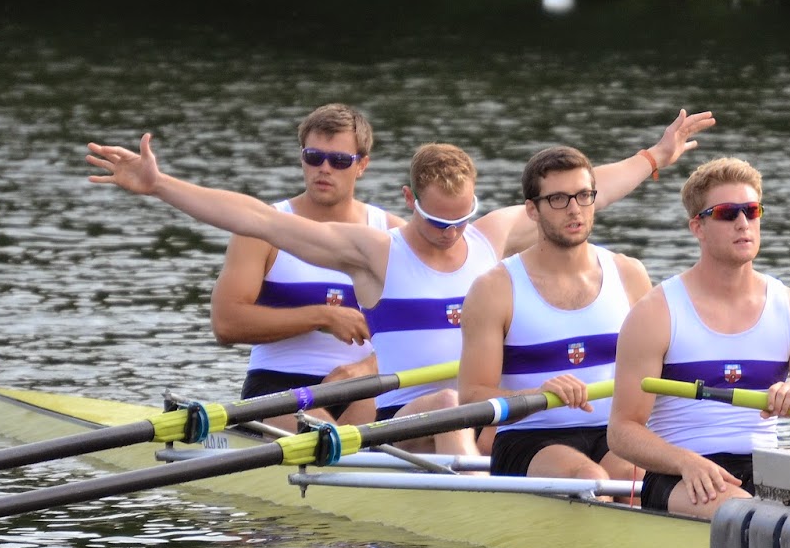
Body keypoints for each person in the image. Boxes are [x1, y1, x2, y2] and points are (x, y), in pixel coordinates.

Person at [86, 109, 715, 455]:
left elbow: (579, 192)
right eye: (437, 221)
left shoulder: (488, 238)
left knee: (481, 407)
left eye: (460, 220)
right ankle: (479, 496)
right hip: (402, 420)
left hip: (479, 414)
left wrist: (654, 157)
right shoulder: (376, 253)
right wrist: (160, 186)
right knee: (445, 402)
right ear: (410, 201)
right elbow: (257, 219)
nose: (450, 233)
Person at [608, 157, 790, 519]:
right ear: (698, 227)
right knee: (759, 518)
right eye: (726, 213)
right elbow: (622, 431)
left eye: (752, 211)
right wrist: (685, 461)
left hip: (764, 470)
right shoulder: (655, 313)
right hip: (680, 475)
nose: (743, 223)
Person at [457, 145, 651, 497]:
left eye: (584, 195)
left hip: (613, 433)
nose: (575, 209)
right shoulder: (494, 289)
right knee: (590, 479)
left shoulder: (629, 274)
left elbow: (659, 376)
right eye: (558, 199)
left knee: (643, 482)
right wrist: (537, 394)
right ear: (532, 210)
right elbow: (471, 398)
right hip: (527, 438)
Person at [210, 104, 403, 431]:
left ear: (362, 165)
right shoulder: (263, 230)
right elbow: (225, 323)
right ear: (302, 158)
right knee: (329, 438)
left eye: (339, 160)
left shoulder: (391, 235)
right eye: (314, 157)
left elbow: (426, 331)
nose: (324, 169)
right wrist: (323, 316)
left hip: (364, 387)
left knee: (383, 408)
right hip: (278, 386)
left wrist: (368, 367)